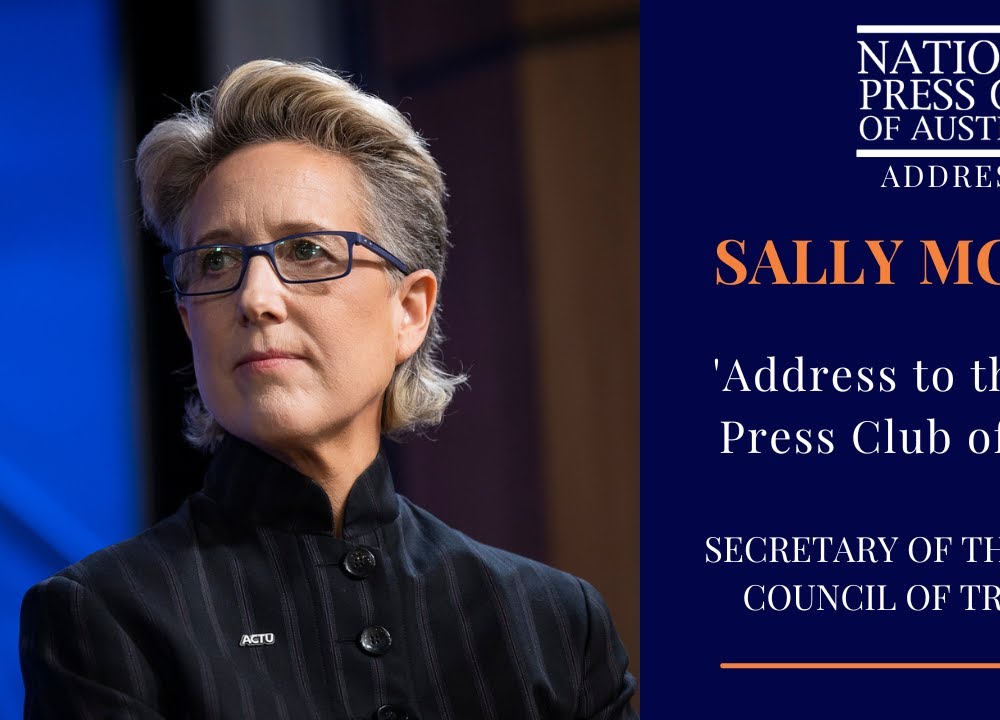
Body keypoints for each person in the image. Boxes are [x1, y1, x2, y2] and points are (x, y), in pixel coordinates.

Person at [18, 59, 638, 719]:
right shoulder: (106, 618)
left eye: (308, 251)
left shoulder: (556, 625)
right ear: (187, 319)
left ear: (410, 311)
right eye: (216, 261)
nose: (255, 299)